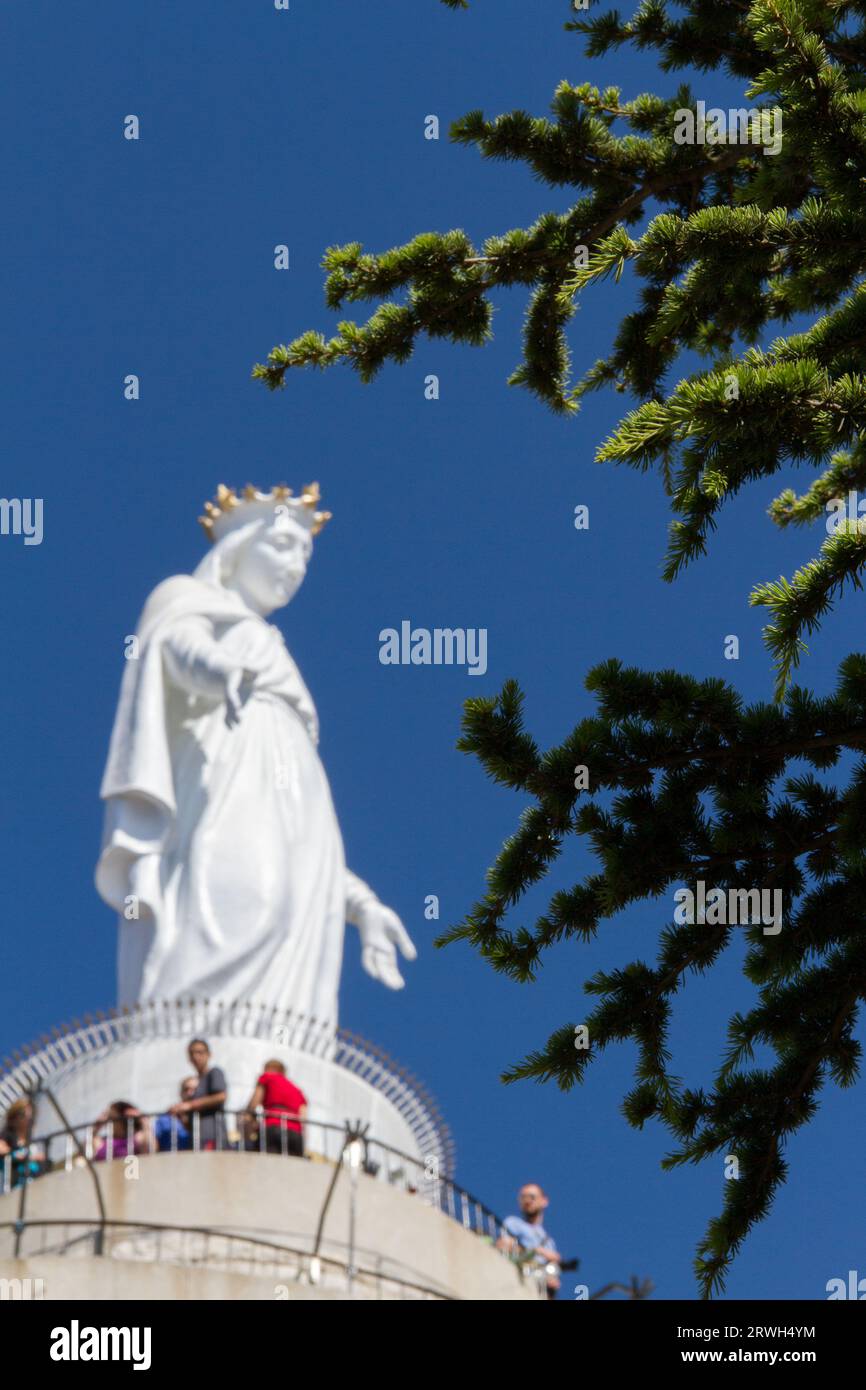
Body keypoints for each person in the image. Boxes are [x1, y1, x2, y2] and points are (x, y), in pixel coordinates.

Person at [498, 1182, 562, 1297]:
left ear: (544, 1201)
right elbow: (504, 1245)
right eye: (523, 1198)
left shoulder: (548, 1241)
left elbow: (553, 1264)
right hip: (519, 1277)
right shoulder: (513, 1223)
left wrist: (552, 1278)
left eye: (532, 1197)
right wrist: (537, 1251)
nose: (527, 1201)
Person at [168, 1040, 227, 1150]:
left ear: (209, 1054)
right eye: (192, 1053)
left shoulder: (214, 1072)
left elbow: (221, 1096)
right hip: (196, 1139)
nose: (196, 1056)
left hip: (213, 1137)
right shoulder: (195, 1082)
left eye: (200, 1052)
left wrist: (190, 1105)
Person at [243, 1059, 306, 1157]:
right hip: (296, 1136)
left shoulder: (267, 1077)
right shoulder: (298, 1090)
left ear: (270, 1068)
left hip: (272, 1128)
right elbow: (303, 1120)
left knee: (267, 1166)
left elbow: (254, 1103)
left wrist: (247, 1120)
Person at [0, 1098, 47, 1188]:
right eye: (24, 1115)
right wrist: (19, 1155)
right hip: (14, 1186)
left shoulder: (30, 1140)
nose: (28, 1119)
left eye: (31, 1116)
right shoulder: (7, 1134)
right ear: (13, 1118)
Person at [153, 1076, 198, 1151]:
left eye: (195, 1089)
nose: (190, 1093)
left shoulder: (207, 1118)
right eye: (186, 1089)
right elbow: (154, 1145)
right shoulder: (165, 1119)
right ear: (180, 1093)